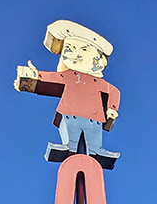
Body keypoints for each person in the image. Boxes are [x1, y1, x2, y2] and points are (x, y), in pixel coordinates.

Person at [14, 19, 120, 169]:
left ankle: (96, 150)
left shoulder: (100, 83)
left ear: (99, 61)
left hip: (95, 116)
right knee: (73, 130)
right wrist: (34, 75)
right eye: (70, 48)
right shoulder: (68, 75)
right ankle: (69, 146)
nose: (75, 54)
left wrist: (112, 109)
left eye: (83, 50)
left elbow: (114, 92)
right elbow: (52, 78)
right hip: (70, 112)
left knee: (93, 134)